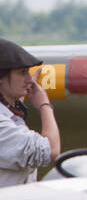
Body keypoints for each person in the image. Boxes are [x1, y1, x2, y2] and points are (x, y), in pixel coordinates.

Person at [0, 39, 61, 187]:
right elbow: (51, 151)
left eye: (28, 72)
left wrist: (17, 96)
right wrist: (44, 105)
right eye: (22, 73)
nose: (29, 79)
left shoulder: (9, 113)